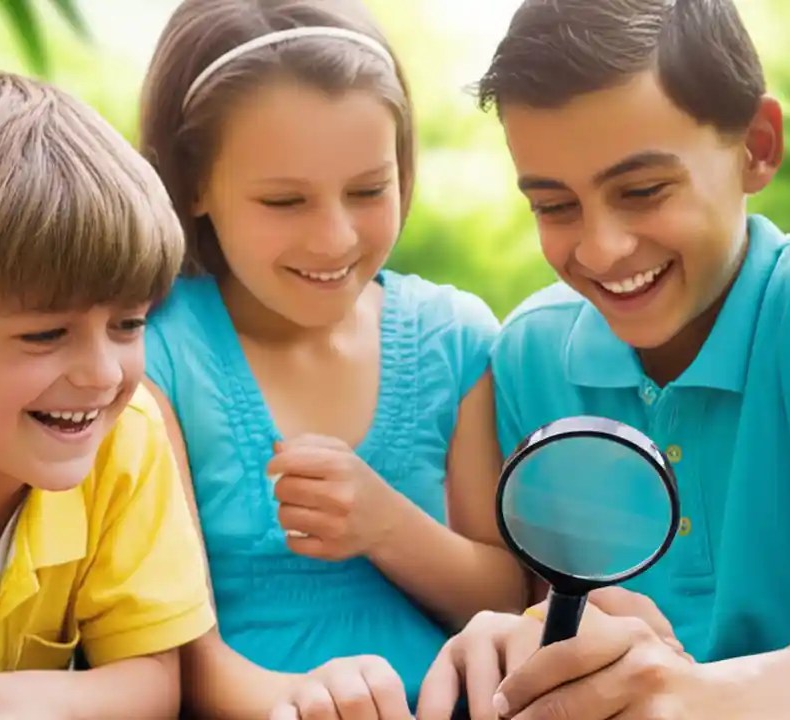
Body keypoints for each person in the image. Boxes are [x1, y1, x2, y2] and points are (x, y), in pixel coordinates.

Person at [416, 0, 790, 718]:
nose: (601, 248)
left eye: (643, 191)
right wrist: (522, 637)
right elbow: (552, 614)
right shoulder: (529, 355)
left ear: (756, 147)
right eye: (555, 206)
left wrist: (688, 699)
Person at [138, 0, 529, 716]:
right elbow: (170, 655)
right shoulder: (155, 351)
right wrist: (301, 706)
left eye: (369, 190)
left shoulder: (456, 336)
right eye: (285, 201)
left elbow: (506, 596)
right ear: (194, 185)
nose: (334, 238)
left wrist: (389, 525)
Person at [0, 72, 213, 718]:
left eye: (128, 324)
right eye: (44, 334)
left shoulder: (126, 437)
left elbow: (151, 676)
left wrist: (42, 702)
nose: (103, 374)